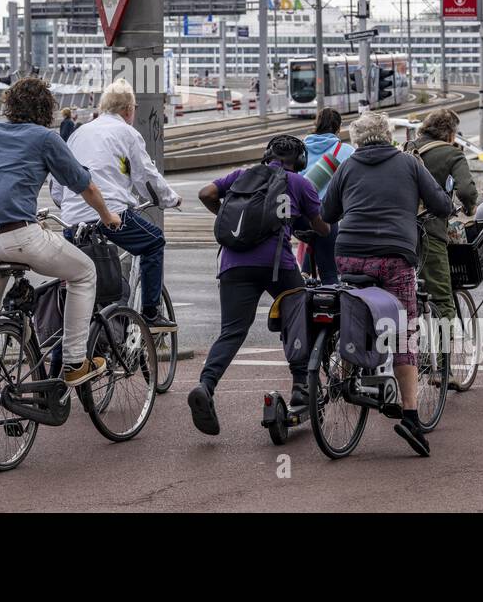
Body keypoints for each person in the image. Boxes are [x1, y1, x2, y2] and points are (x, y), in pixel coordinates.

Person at [0, 77, 121, 388]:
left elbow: (0, 178)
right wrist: (107, 216)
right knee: (84, 273)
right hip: (19, 237)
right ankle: (76, 362)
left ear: (10, 105)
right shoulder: (45, 138)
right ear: (45, 108)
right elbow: (85, 185)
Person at [320, 112, 451, 457]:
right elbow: (441, 204)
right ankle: (410, 415)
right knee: (403, 331)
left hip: (348, 255)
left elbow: (327, 212)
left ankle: (345, 372)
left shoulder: (347, 167)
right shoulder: (409, 163)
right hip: (395, 256)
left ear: (357, 139)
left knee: (355, 309)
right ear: (389, 136)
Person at [190, 135, 329, 435]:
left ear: (267, 155)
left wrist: (232, 221)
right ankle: (300, 386)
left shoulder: (242, 175)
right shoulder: (299, 184)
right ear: (300, 162)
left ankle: (206, 385)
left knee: (232, 332)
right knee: (300, 314)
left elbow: (205, 193)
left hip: (232, 264)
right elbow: (322, 227)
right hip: (277, 264)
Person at [51, 78, 181, 331]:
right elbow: (146, 176)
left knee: (82, 282)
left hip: (72, 219)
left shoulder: (78, 133)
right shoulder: (127, 133)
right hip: (110, 213)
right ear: (129, 110)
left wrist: (67, 206)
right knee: (154, 242)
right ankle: (152, 313)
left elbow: (57, 183)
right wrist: (171, 199)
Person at [414, 109, 478, 332]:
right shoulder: (452, 154)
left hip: (401, 232)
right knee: (441, 298)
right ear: (450, 132)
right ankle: (443, 364)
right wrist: (471, 208)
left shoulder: (409, 148)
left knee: (408, 296)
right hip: (430, 232)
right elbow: (467, 191)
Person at [299, 107, 355, 284]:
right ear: (338, 128)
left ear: (316, 125)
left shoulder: (300, 148)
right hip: (326, 216)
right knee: (330, 275)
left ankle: (304, 275)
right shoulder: (346, 150)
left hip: (299, 215)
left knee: (313, 240)